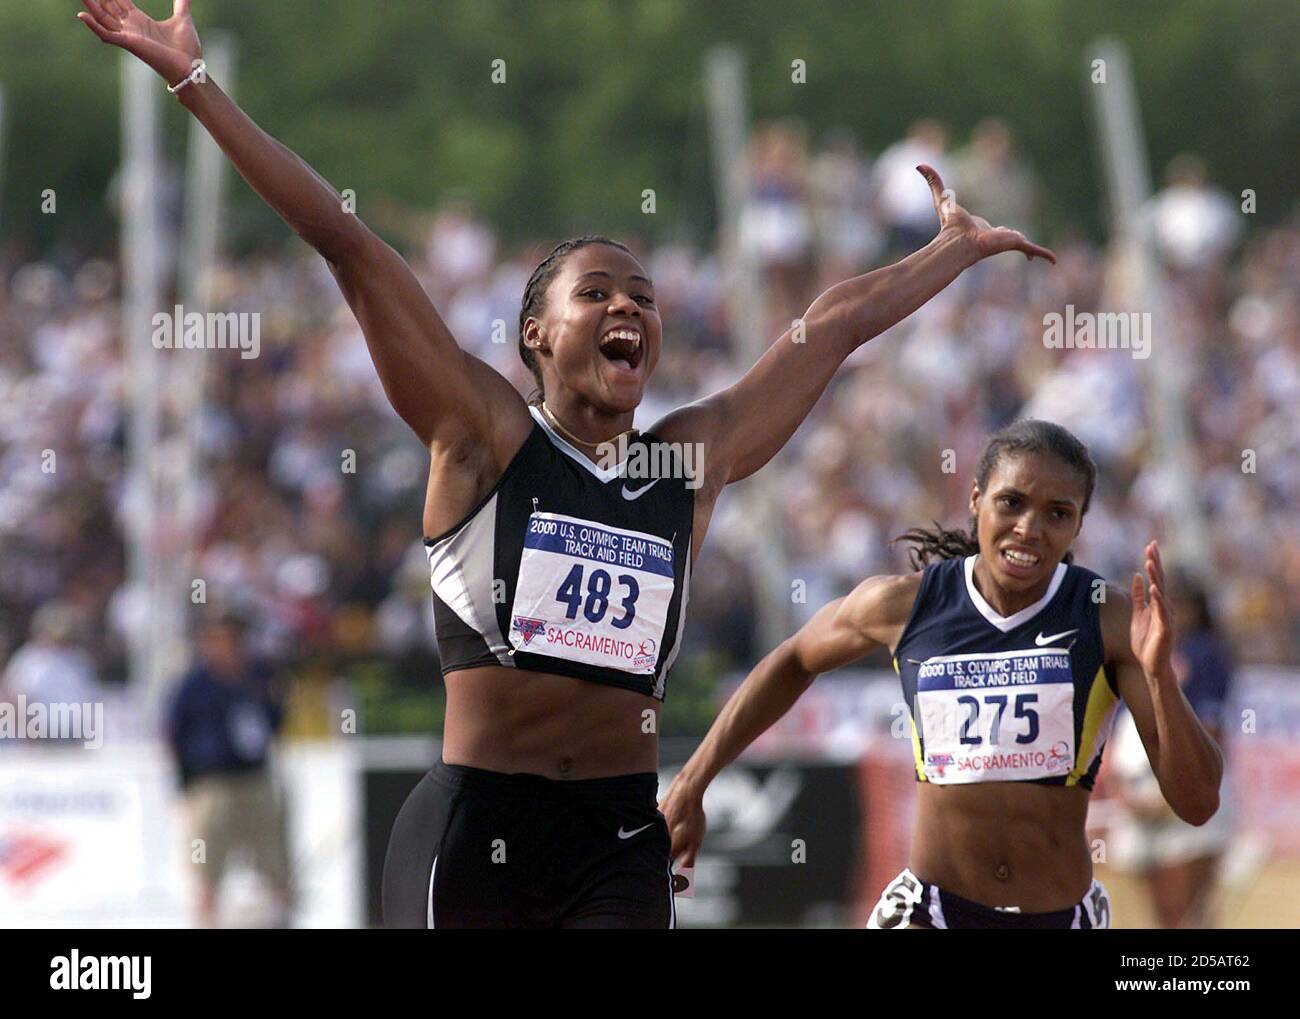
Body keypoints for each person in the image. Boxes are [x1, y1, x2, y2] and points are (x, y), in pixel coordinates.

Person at [78, 0, 1055, 928]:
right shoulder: (482, 430)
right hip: (473, 830)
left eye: (644, 295)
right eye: (599, 293)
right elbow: (343, 240)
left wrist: (952, 248)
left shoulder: (685, 463)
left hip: (619, 838)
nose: (630, 307)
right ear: (535, 333)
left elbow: (827, 329)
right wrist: (195, 81)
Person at [660, 420, 1223, 929]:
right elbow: (791, 660)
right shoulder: (905, 607)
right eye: (1012, 503)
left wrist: (1158, 677)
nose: (1029, 528)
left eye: (1057, 513)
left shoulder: (1105, 618)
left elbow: (1197, 804)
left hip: (1059, 917)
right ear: (976, 501)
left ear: (1078, 525)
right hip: (932, 913)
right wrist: (692, 781)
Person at [1106, 576, 1235, 928]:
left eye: (1180, 603)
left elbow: (1211, 726)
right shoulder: (1129, 647)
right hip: (1137, 788)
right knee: (1162, 915)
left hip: (1182, 784)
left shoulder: (1204, 653)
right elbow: (1115, 726)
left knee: (1186, 913)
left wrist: (1172, 796)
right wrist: (1122, 793)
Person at [165, 610, 292, 927]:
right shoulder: (195, 684)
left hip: (254, 780)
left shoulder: (259, 676)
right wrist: (185, 782)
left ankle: (282, 918)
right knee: (207, 865)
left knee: (274, 861)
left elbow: (275, 721)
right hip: (212, 783)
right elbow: (174, 733)